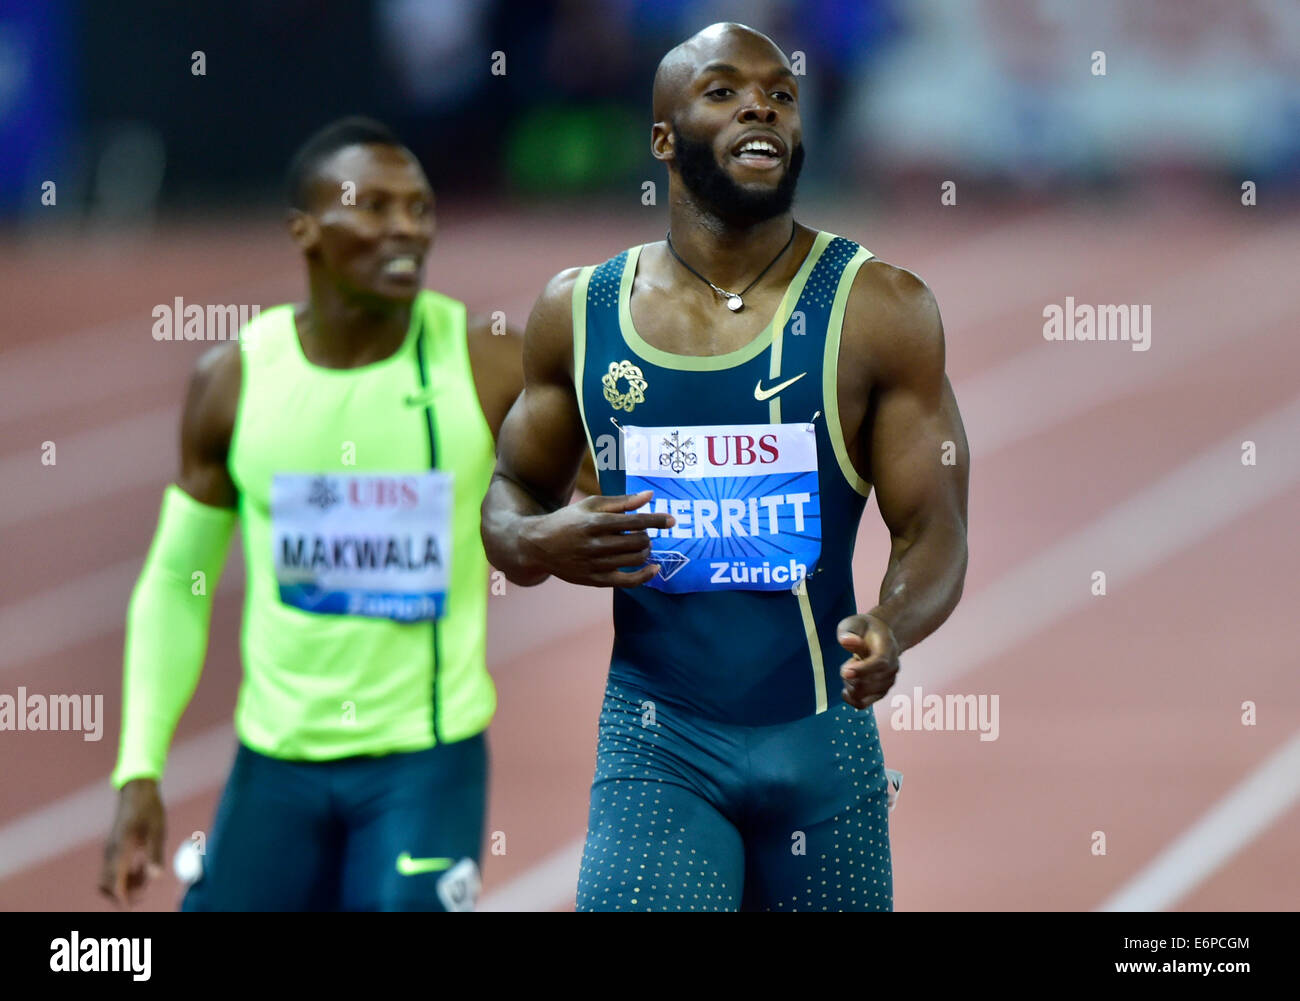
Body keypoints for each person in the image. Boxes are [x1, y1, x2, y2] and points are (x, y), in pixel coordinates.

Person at [481, 23, 969, 911]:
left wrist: (893, 624)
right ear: (663, 138)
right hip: (658, 742)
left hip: (822, 744)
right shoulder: (580, 312)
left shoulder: (879, 310)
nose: (761, 105)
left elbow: (934, 527)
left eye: (781, 94)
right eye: (723, 90)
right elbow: (509, 500)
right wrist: (541, 536)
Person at [99, 116, 557, 911]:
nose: (405, 229)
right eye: (373, 207)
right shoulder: (234, 380)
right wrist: (139, 767)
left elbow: (610, 484)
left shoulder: (486, 363)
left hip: (425, 761)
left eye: (419, 208)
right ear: (304, 230)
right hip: (278, 761)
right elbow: (179, 579)